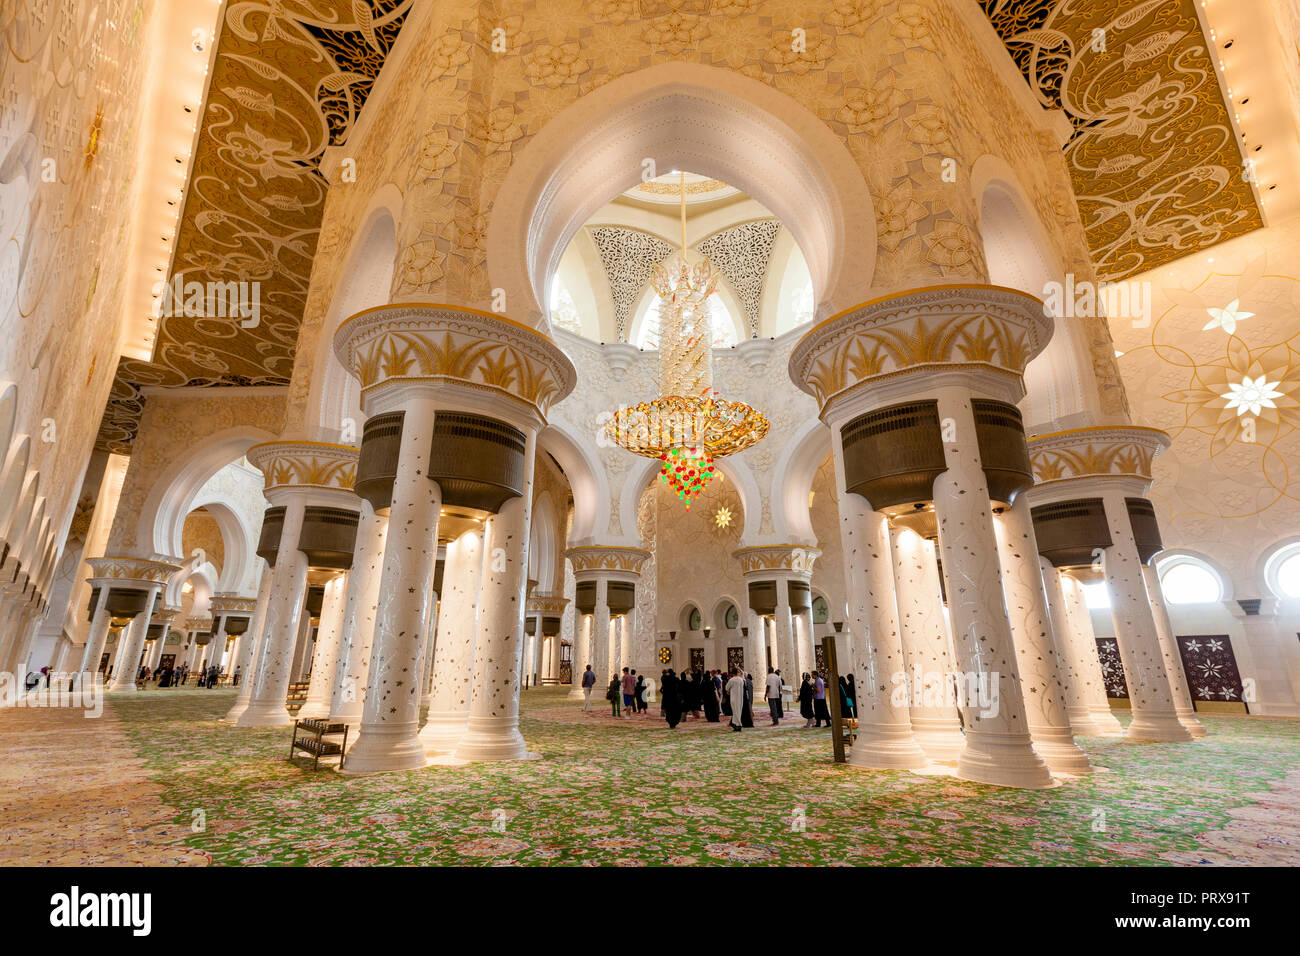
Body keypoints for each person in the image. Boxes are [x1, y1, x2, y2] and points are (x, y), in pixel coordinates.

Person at [725, 667, 745, 732]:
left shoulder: (732, 680)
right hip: (740, 698)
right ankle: (737, 724)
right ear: (737, 672)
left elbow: (726, 688)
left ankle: (738, 725)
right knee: (739, 711)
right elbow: (743, 673)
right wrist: (739, 668)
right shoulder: (741, 680)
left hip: (734, 698)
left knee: (735, 711)